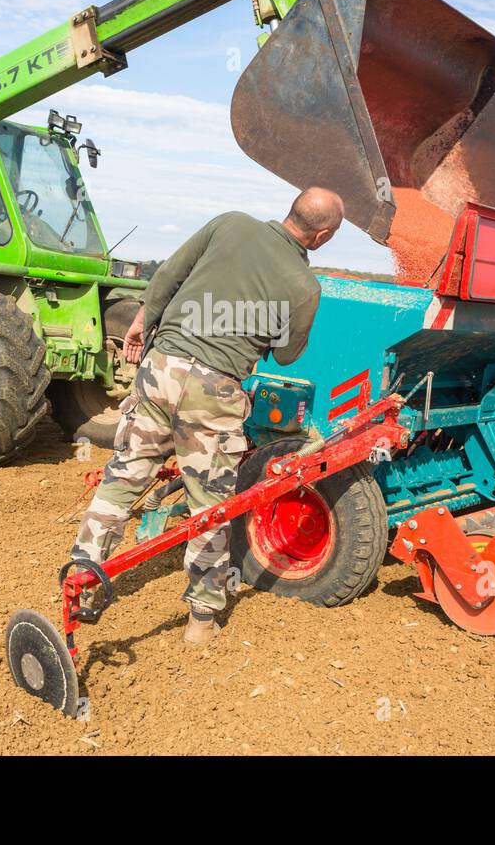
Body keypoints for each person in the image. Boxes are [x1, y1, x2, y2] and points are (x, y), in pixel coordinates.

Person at [69, 187, 345, 644]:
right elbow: (288, 354)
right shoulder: (304, 286)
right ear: (321, 236)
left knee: (121, 482)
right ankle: (201, 616)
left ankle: (80, 583)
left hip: (161, 369)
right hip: (214, 393)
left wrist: (143, 319)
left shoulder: (230, 222)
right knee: (210, 507)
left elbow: (167, 277)